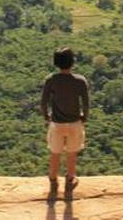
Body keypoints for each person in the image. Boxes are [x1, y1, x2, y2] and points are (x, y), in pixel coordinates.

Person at [40, 46, 89, 198]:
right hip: (74, 123)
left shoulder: (51, 80)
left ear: (56, 62)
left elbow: (43, 102)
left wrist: (46, 116)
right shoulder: (80, 81)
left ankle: (53, 180)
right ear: (72, 62)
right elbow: (86, 103)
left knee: (55, 152)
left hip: (57, 124)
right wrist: (84, 117)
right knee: (71, 153)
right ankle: (69, 180)